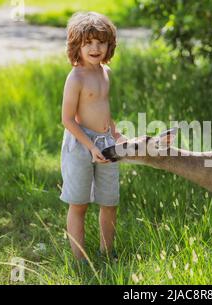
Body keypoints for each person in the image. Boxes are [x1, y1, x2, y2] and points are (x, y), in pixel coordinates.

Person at [60, 11, 126, 261]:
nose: (95, 48)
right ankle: (80, 261)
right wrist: (90, 147)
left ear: (110, 45)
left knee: (109, 202)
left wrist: (115, 134)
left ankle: (108, 254)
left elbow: (103, 108)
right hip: (81, 144)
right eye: (88, 42)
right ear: (77, 45)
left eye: (101, 42)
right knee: (79, 204)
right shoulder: (75, 77)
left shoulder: (105, 72)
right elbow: (67, 119)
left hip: (105, 142)